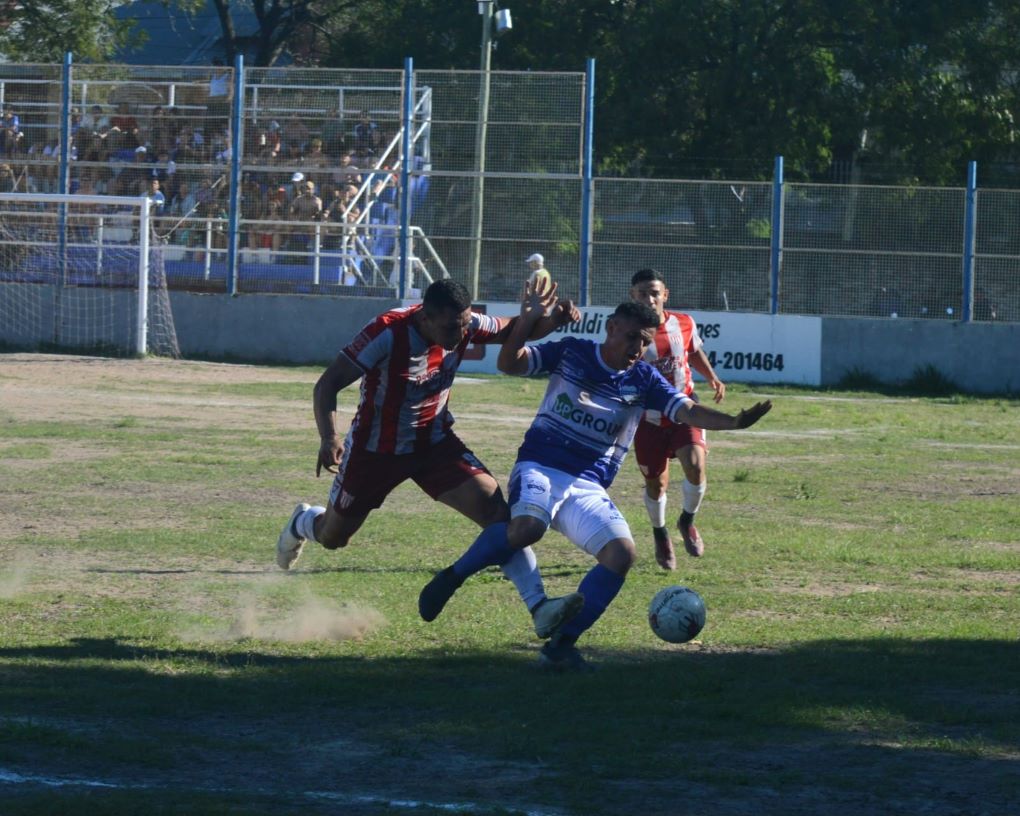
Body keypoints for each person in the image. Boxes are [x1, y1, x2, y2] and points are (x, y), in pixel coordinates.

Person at [418, 292, 771, 672]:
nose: (638, 347)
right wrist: (525, 323)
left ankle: (560, 647)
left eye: (645, 341)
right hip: (540, 466)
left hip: (587, 485)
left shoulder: (644, 379)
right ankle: (452, 578)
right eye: (632, 337)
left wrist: (733, 422)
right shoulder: (573, 352)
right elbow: (510, 363)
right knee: (527, 528)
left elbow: (686, 409)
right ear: (611, 327)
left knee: (621, 555)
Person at [276, 278, 587, 642]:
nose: (461, 333)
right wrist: (329, 437)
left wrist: (550, 320)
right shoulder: (388, 331)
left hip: (434, 444)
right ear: (425, 317)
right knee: (333, 537)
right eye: (452, 327)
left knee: (497, 515)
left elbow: (512, 332)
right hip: (375, 452)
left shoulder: (464, 325)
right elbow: (327, 384)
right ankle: (302, 521)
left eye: (466, 323)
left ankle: (539, 606)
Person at [629, 267, 726, 568]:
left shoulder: (683, 323)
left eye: (655, 293)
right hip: (648, 420)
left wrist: (712, 377)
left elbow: (693, 351)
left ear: (665, 295)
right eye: (643, 294)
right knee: (656, 485)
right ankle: (660, 534)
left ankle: (687, 521)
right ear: (633, 296)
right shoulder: (626, 330)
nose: (649, 299)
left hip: (685, 410)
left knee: (696, 466)